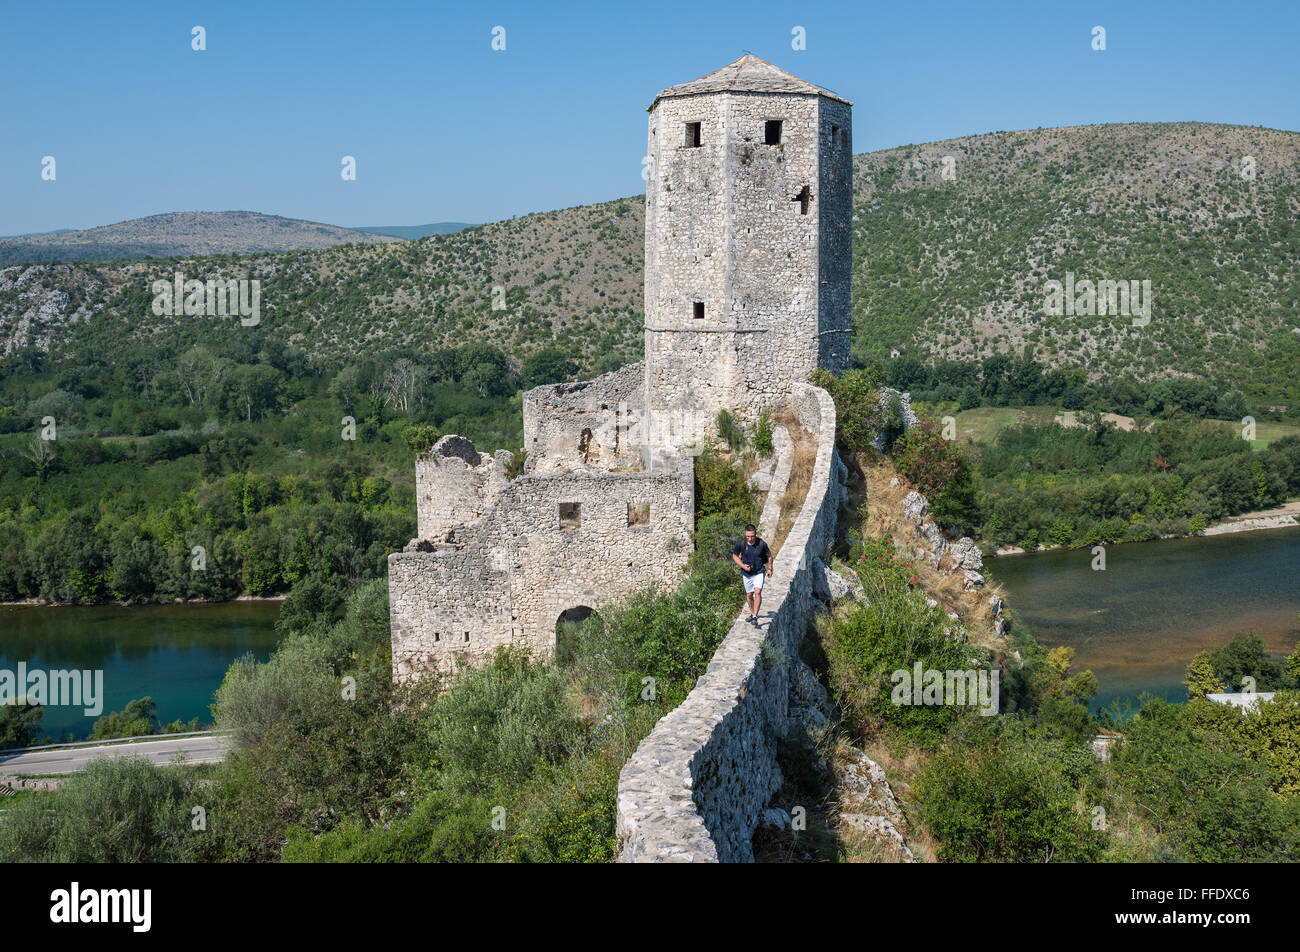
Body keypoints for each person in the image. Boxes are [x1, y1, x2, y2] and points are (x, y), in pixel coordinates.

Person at [731, 523, 773, 625]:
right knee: (749, 595)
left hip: (759, 571)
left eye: (752, 536)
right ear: (745, 534)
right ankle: (752, 613)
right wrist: (743, 566)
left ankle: (754, 616)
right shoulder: (741, 544)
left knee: (757, 592)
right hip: (746, 573)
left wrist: (770, 568)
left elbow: (769, 556)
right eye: (748, 536)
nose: (750, 538)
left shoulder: (761, 544)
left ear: (755, 534)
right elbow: (735, 556)